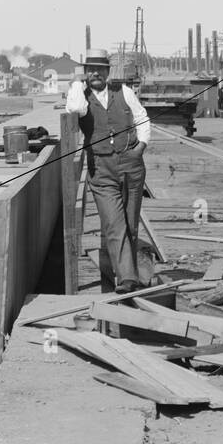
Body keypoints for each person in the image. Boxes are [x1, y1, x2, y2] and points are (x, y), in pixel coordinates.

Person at [66, 49, 151, 293]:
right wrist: (75, 83)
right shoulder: (80, 96)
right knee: (115, 224)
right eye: (90, 69)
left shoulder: (123, 91)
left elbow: (142, 118)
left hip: (132, 164)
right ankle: (127, 280)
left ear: (107, 71)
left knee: (130, 225)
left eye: (100, 69)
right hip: (101, 170)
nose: (96, 73)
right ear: (85, 73)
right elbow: (75, 111)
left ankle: (130, 275)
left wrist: (141, 147)